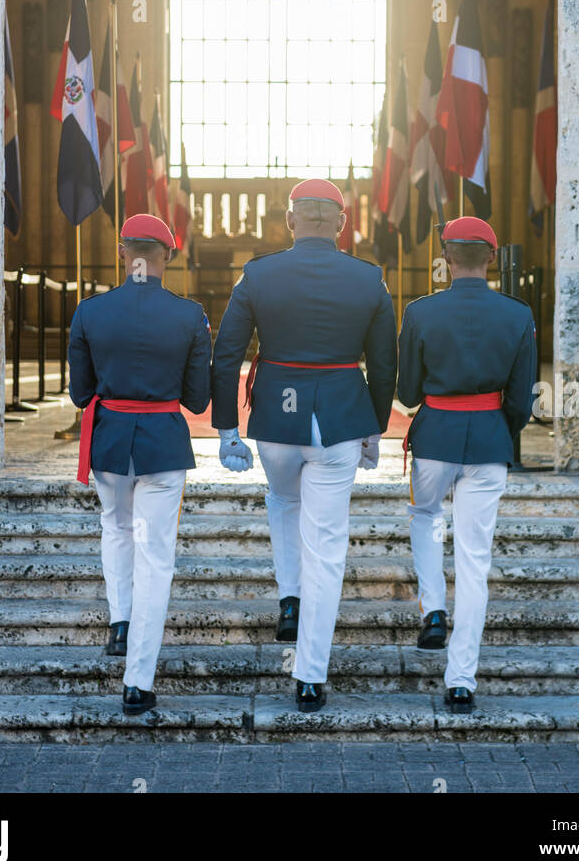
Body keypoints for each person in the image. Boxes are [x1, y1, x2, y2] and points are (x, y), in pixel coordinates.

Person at [211, 178, 397, 712]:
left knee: (284, 500)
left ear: (290, 222)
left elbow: (226, 354)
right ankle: (310, 676)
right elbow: (385, 364)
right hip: (340, 419)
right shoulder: (370, 280)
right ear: (342, 223)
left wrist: (226, 429)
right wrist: (375, 426)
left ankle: (289, 597)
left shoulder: (258, 274)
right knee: (327, 544)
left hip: (277, 418)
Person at [68, 213, 211, 716]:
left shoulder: (90, 312)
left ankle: (121, 622)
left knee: (116, 528)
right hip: (161, 447)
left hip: (109, 444)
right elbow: (197, 401)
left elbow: (81, 393)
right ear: (167, 256)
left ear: (123, 253)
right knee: (155, 555)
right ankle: (138, 681)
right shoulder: (190, 316)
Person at [397, 216, 536, 714]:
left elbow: (408, 391)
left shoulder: (420, 312)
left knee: (426, 517)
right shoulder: (518, 315)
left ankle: (433, 608)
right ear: (491, 259)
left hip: (435, 436)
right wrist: (502, 430)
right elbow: (520, 398)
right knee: (475, 562)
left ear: (447, 259)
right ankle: (461, 681)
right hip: (489, 443)